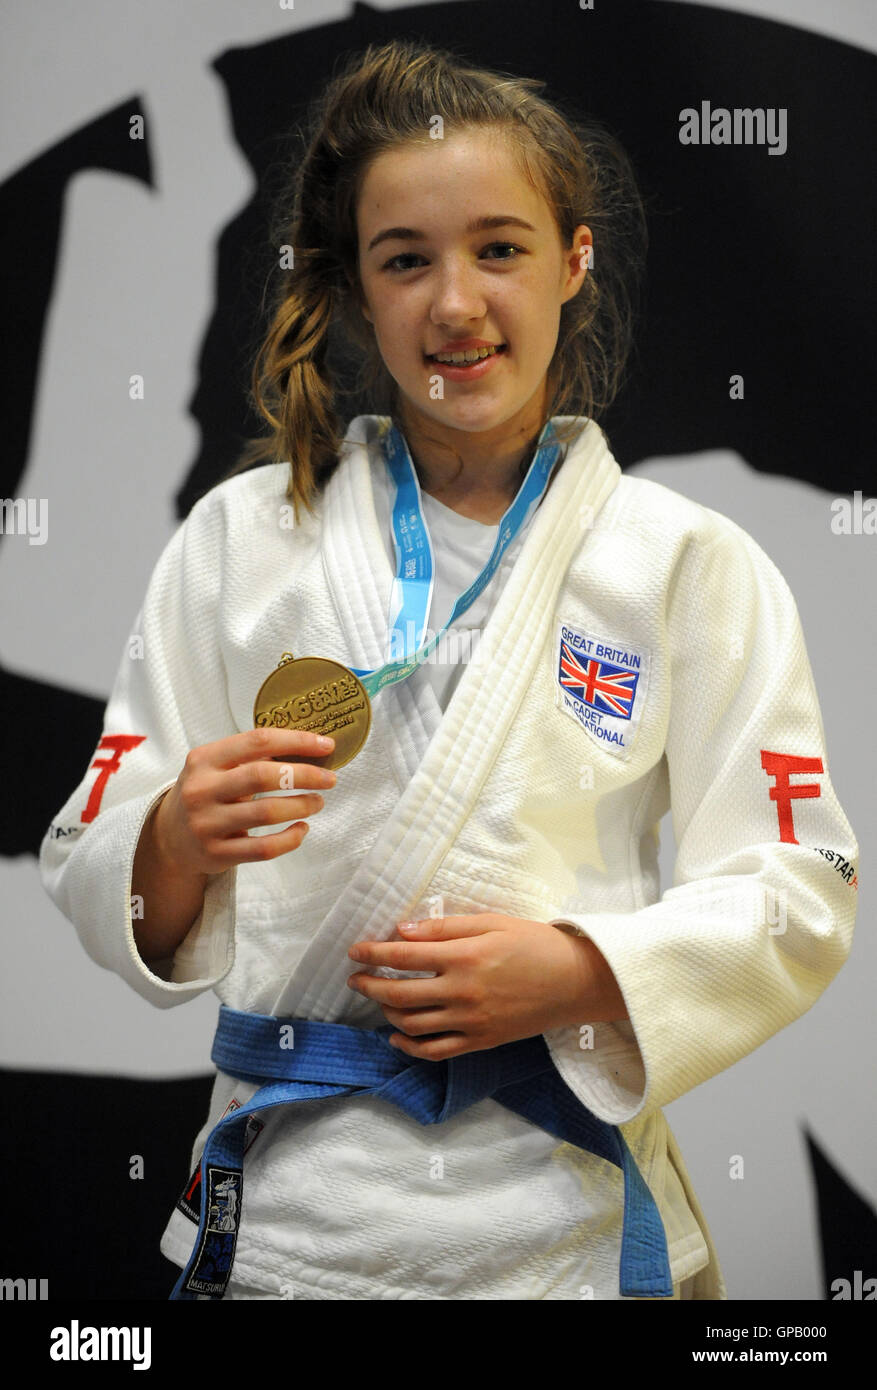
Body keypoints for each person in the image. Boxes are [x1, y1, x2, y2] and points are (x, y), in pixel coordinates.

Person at [39, 38, 858, 1302]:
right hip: (301, 1220)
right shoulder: (242, 542)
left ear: (573, 262)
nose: (456, 303)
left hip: (562, 1216)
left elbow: (804, 886)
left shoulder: (682, 562)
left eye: (499, 248)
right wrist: (177, 838)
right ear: (359, 290)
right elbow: (89, 848)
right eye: (405, 259)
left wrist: (582, 971)